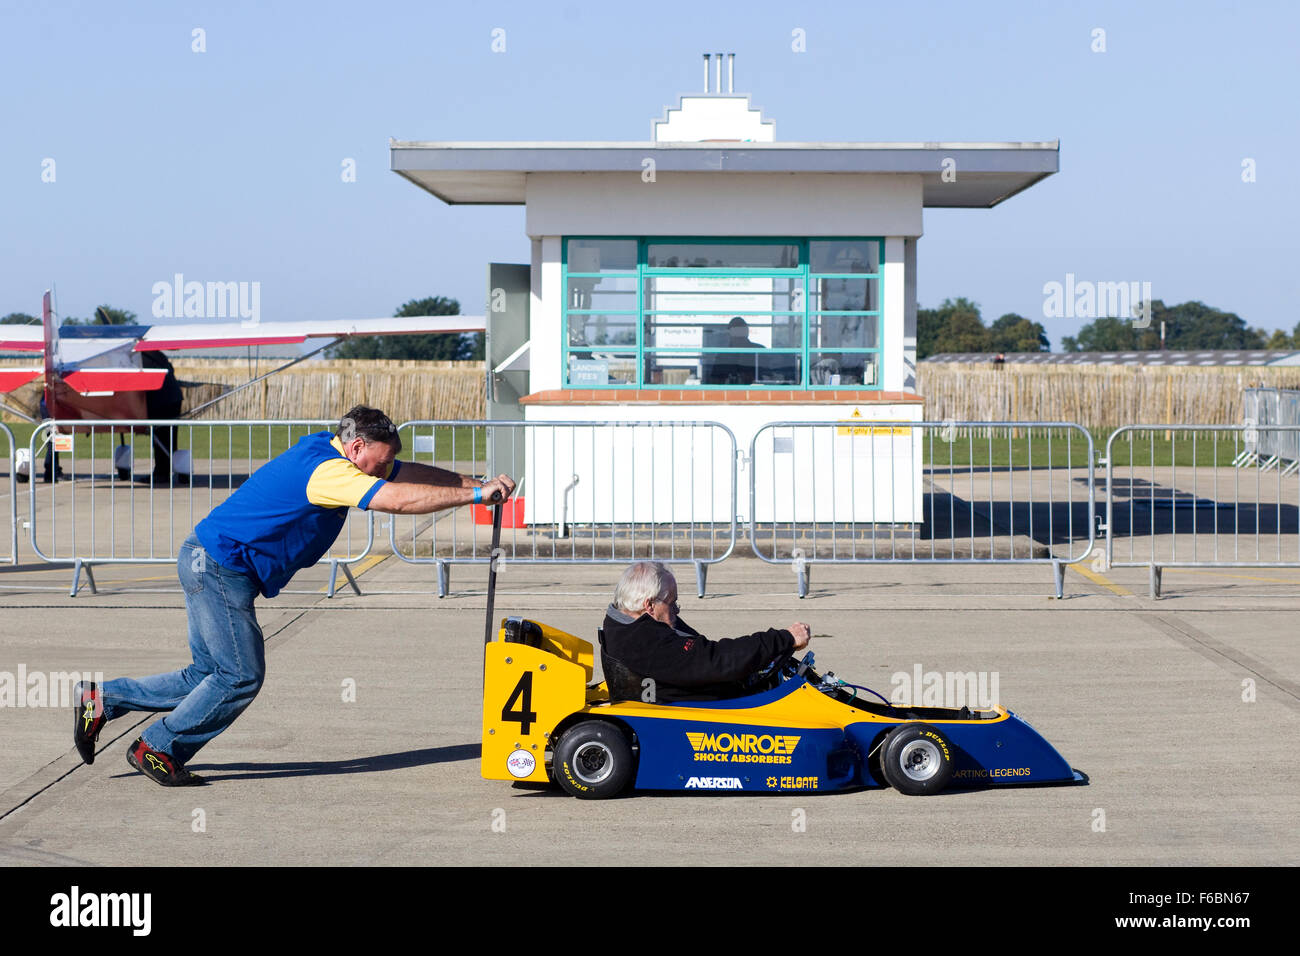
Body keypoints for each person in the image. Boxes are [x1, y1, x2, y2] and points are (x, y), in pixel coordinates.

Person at [73, 405, 516, 786]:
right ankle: (159, 747)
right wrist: (476, 496)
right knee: (239, 676)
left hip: (210, 559)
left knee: (206, 675)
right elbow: (396, 499)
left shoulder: (338, 452)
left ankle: (103, 699)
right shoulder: (329, 472)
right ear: (357, 447)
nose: (383, 471)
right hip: (219, 567)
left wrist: (469, 483)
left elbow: (407, 474)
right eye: (378, 463)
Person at [600, 561, 811, 703]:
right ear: (649, 605)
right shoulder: (644, 640)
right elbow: (715, 660)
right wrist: (784, 638)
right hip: (701, 711)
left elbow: (702, 652)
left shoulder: (626, 622)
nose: (676, 610)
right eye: (672, 603)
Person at [705, 316, 762, 385]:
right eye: (737, 332)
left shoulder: (759, 351)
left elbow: (768, 377)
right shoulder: (723, 355)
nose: (739, 338)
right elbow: (714, 381)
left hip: (755, 393)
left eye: (741, 331)